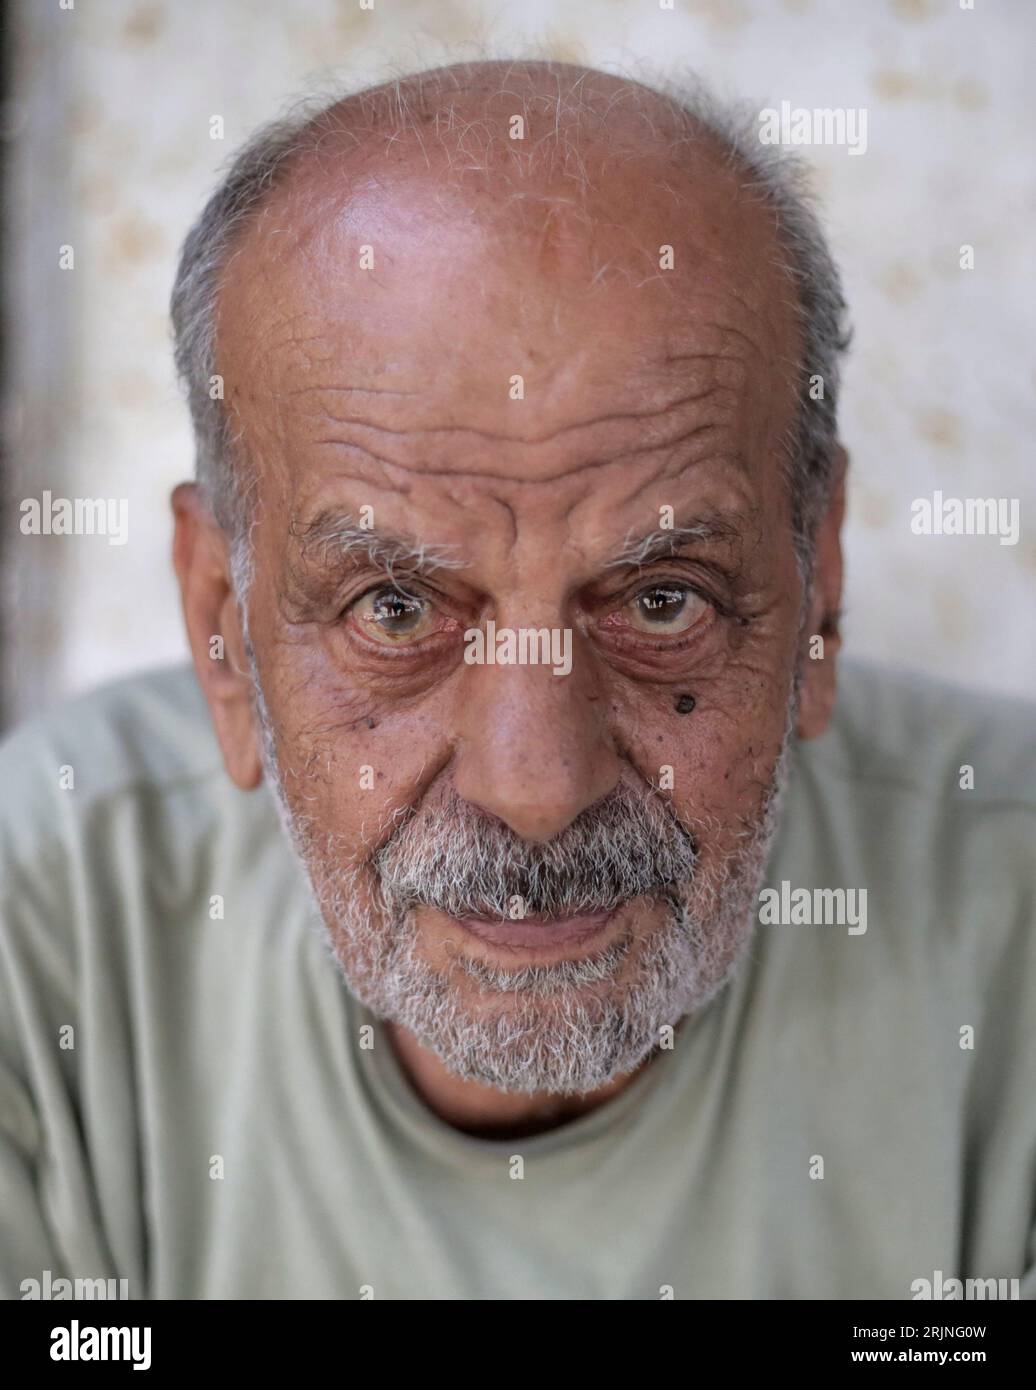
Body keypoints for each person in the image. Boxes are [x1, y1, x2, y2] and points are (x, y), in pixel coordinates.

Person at [2, 60, 1033, 1300]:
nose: (537, 786)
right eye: (396, 610)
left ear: (817, 598)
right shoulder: (41, 927)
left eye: (664, 602)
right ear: (222, 635)